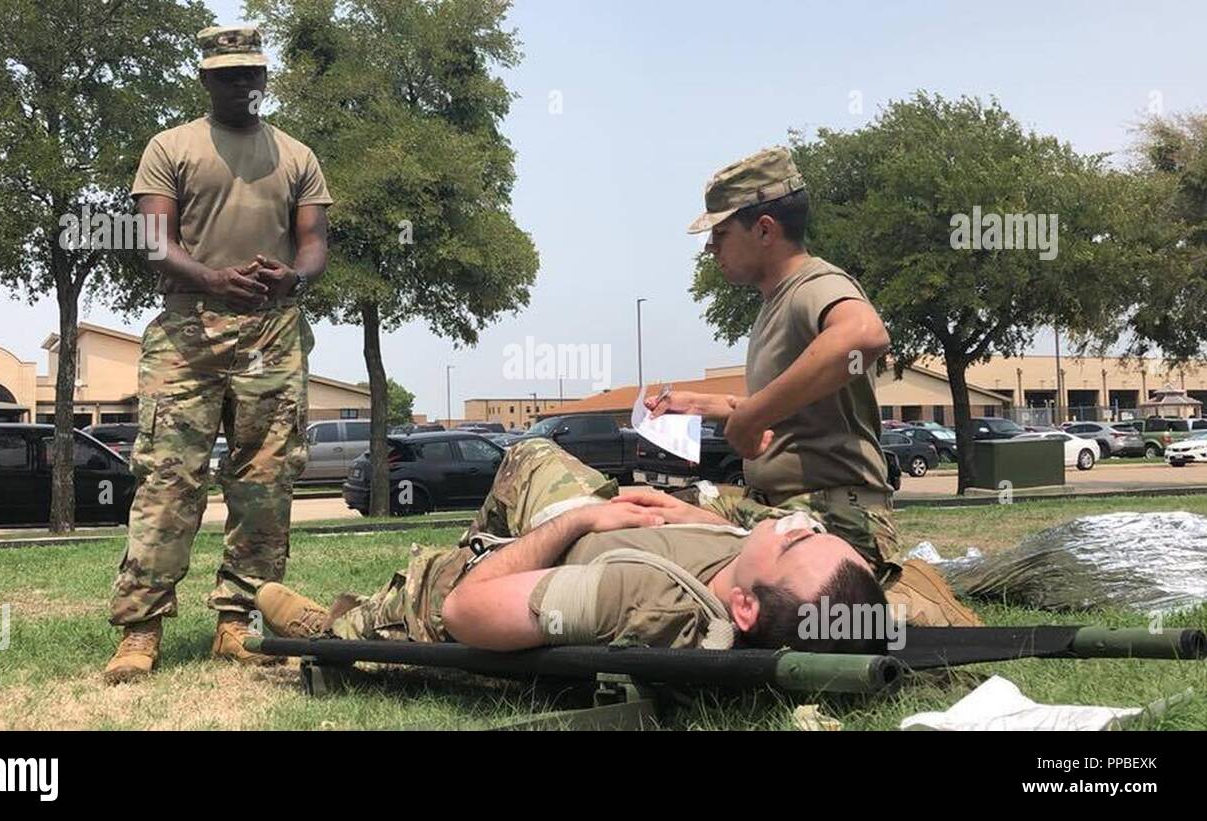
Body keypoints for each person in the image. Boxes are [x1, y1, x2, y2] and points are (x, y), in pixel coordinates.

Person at [104, 25, 333, 684]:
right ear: (204, 77)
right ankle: (139, 629)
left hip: (273, 333)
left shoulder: (297, 156)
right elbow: (154, 240)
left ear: (263, 77)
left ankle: (238, 621)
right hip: (188, 335)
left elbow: (314, 240)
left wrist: (297, 277)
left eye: (250, 72)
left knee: (265, 483)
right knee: (168, 480)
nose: (240, 83)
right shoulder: (169, 147)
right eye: (227, 73)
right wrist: (211, 278)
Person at [256, 439, 889, 653]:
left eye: (793, 541)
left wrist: (580, 523)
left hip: (466, 583)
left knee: (422, 588)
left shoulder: (643, 597)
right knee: (530, 455)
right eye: (811, 529)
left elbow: (465, 610)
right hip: (590, 527)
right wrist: (679, 509)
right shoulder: (772, 569)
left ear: (745, 610)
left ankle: (327, 631)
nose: (792, 524)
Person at [647, 146, 898, 577]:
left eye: (721, 234)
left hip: (832, 517)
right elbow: (782, 413)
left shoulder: (814, 285)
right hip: (782, 508)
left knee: (660, 548)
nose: (710, 248)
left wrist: (749, 420)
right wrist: (696, 404)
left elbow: (865, 336)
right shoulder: (775, 303)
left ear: (764, 230)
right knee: (647, 510)